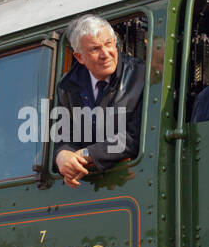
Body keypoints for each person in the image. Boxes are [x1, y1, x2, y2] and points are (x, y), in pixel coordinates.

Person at [54, 14, 145, 187]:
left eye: (109, 44)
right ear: (79, 57)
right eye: (95, 49)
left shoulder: (141, 75)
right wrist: (63, 156)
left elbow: (134, 137)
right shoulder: (66, 87)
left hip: (129, 182)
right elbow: (64, 135)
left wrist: (86, 154)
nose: (106, 54)